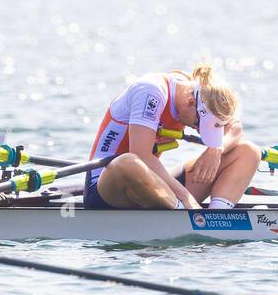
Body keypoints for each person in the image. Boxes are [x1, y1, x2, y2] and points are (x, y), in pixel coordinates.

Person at [84, 65, 261, 210]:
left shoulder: (197, 89)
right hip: (107, 188)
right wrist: (185, 197)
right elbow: (142, 156)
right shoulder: (151, 91)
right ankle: (183, 213)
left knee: (248, 151)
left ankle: (217, 217)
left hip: (155, 186)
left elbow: (235, 128)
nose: (199, 131)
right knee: (129, 161)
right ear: (190, 103)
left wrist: (216, 150)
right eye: (197, 124)